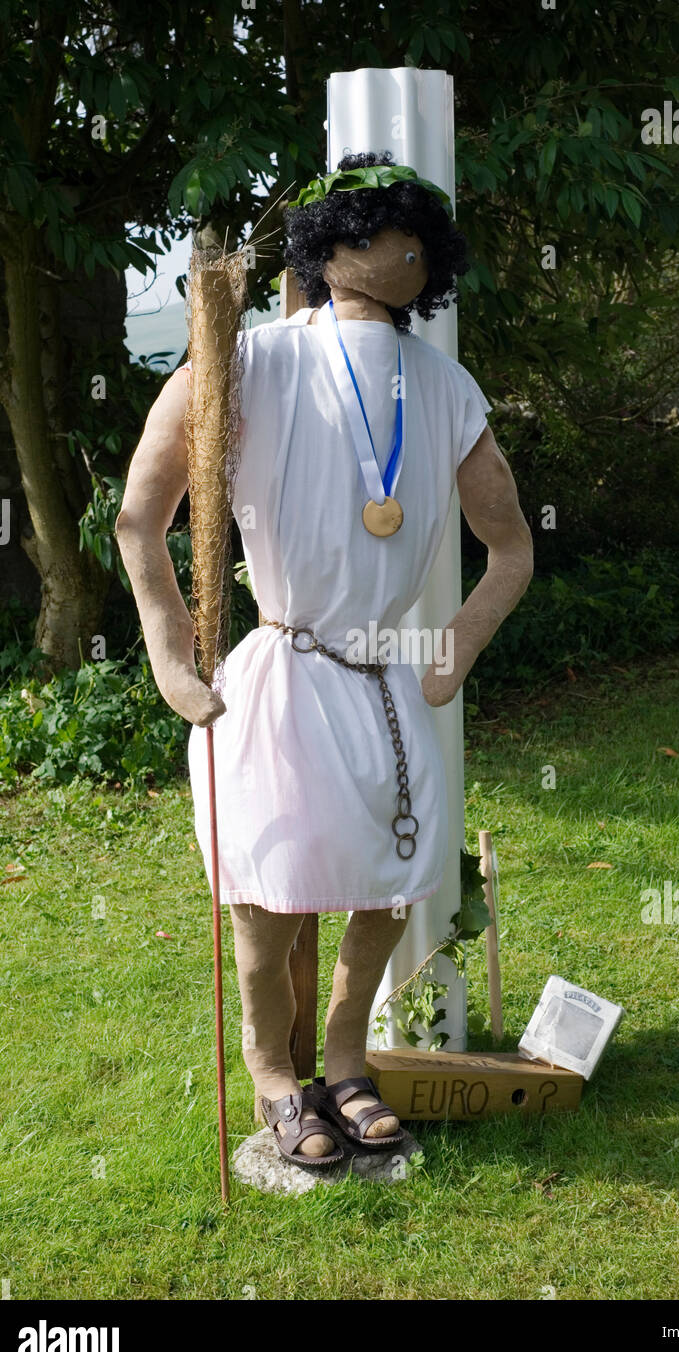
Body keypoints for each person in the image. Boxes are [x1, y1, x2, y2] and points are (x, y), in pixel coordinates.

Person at [116, 152, 534, 1169]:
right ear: (326, 246)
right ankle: (272, 1074)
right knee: (267, 885)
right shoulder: (243, 359)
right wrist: (173, 655)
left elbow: (511, 543)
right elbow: (139, 518)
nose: (387, 250)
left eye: (409, 238)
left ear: (427, 263)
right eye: (364, 230)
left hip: (389, 677)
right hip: (278, 667)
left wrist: (456, 646)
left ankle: (344, 1053)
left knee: (390, 875)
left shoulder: (444, 386)